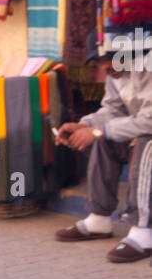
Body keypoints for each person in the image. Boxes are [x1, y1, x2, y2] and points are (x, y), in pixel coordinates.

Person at [55, 33, 152, 262]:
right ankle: (99, 219)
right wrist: (85, 125)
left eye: (107, 65)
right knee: (103, 137)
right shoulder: (115, 73)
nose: (104, 72)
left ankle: (144, 230)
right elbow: (112, 110)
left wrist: (100, 130)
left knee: (146, 144)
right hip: (140, 129)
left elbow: (149, 121)